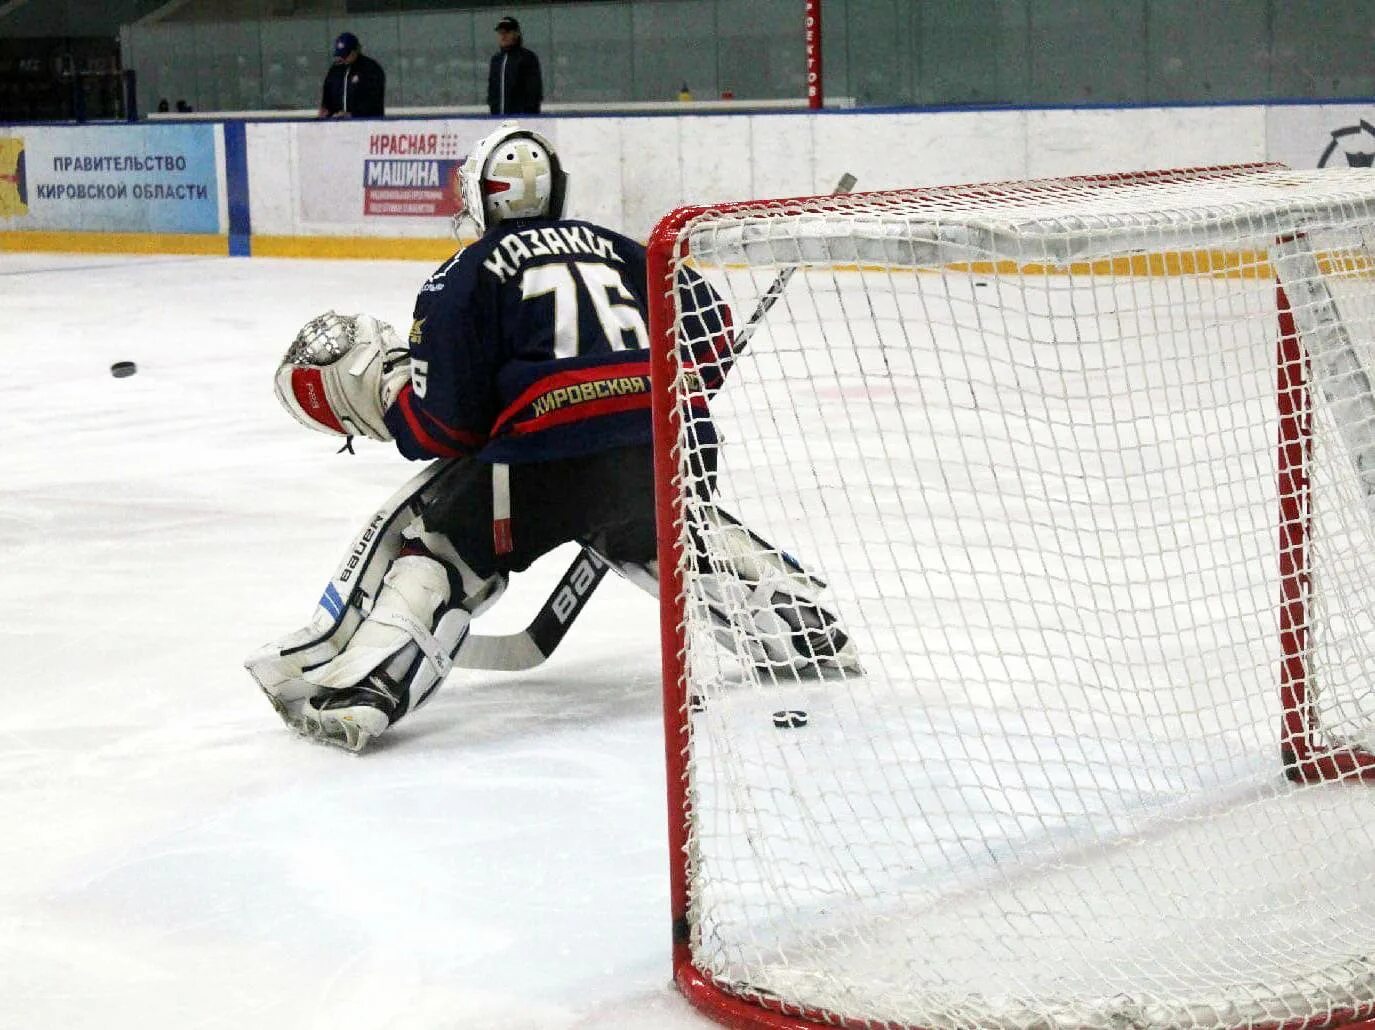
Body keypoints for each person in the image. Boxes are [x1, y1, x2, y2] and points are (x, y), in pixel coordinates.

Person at [247, 123, 858, 751]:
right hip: (671, 453)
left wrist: (397, 405)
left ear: (483, 199)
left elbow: (445, 426)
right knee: (667, 524)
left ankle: (365, 692)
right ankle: (802, 623)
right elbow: (709, 336)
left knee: (442, 553)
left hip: (541, 473)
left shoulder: (461, 275)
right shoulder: (623, 248)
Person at [318, 31, 385, 119]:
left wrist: (353, 114)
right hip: (336, 124)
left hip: (367, 122)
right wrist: (326, 110)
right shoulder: (335, 70)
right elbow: (328, 94)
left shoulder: (370, 69)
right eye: (340, 55)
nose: (342, 59)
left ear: (355, 51)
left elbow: (374, 100)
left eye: (346, 55)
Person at [487, 16, 542, 115]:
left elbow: (534, 91)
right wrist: (493, 111)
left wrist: (528, 115)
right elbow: (492, 91)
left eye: (507, 32)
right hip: (498, 120)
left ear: (516, 34)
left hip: (521, 119)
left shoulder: (527, 58)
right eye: (500, 33)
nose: (503, 36)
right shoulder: (496, 60)